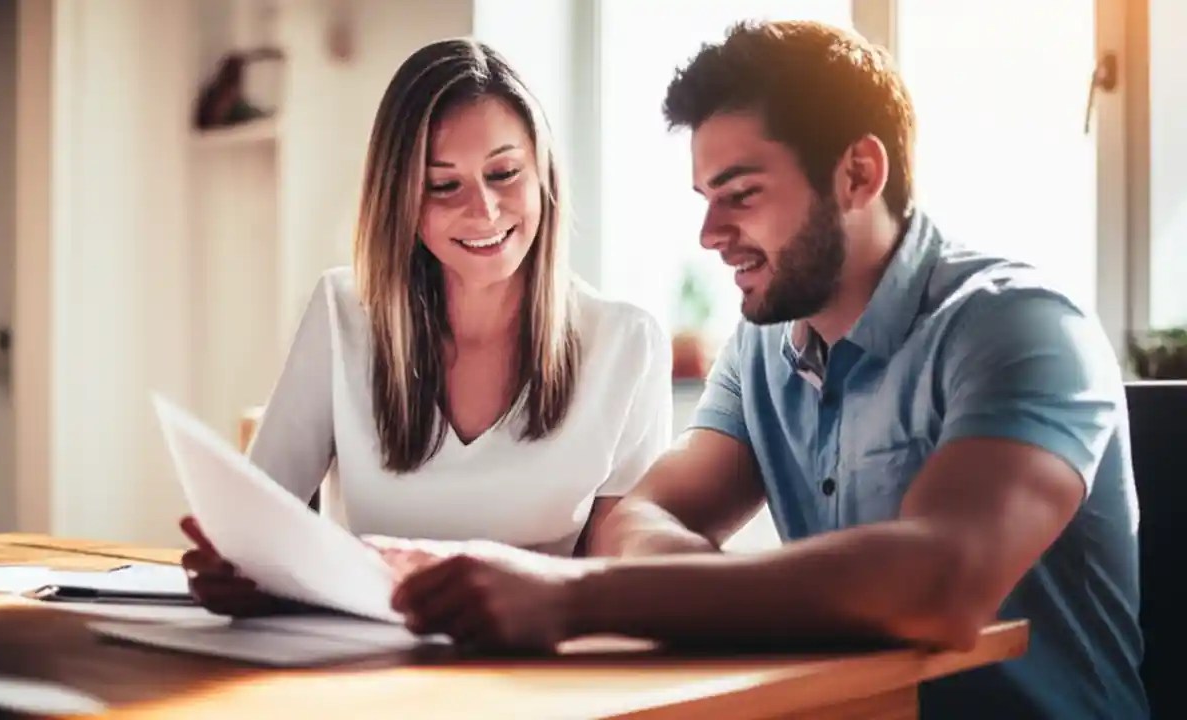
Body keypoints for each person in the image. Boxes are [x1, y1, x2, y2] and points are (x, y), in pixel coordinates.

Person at [390, 20, 1148, 719]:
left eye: (742, 194)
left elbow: (941, 583)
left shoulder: (1021, 328)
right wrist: (697, 591)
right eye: (705, 198)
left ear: (858, 174)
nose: (710, 233)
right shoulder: (764, 347)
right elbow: (639, 519)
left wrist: (576, 599)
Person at [180, 38, 672, 616]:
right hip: (366, 651)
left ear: (543, 174)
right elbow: (261, 521)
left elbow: (618, 579)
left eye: (504, 172)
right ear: (402, 201)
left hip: (531, 657)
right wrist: (235, 568)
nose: (484, 210)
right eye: (443, 185)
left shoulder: (627, 344)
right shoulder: (343, 314)